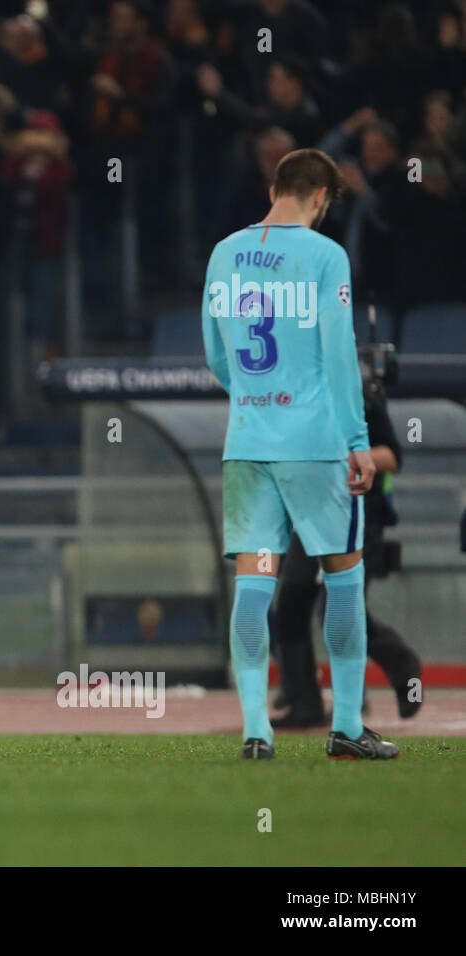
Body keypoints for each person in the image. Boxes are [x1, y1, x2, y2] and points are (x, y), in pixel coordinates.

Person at [201, 146, 398, 761]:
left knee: (254, 588)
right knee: (343, 581)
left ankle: (257, 731)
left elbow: (214, 352)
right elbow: (340, 354)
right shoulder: (324, 256)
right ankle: (345, 727)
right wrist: (359, 442)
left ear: (273, 189)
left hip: (248, 443)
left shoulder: (225, 253)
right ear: (320, 198)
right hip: (315, 446)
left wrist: (257, 400)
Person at [272, 368, 422, 726]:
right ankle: (304, 700)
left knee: (337, 613)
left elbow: (392, 456)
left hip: (356, 512)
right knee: (289, 606)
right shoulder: (296, 395)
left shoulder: (358, 392)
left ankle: (402, 665)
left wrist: (349, 460)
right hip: (309, 512)